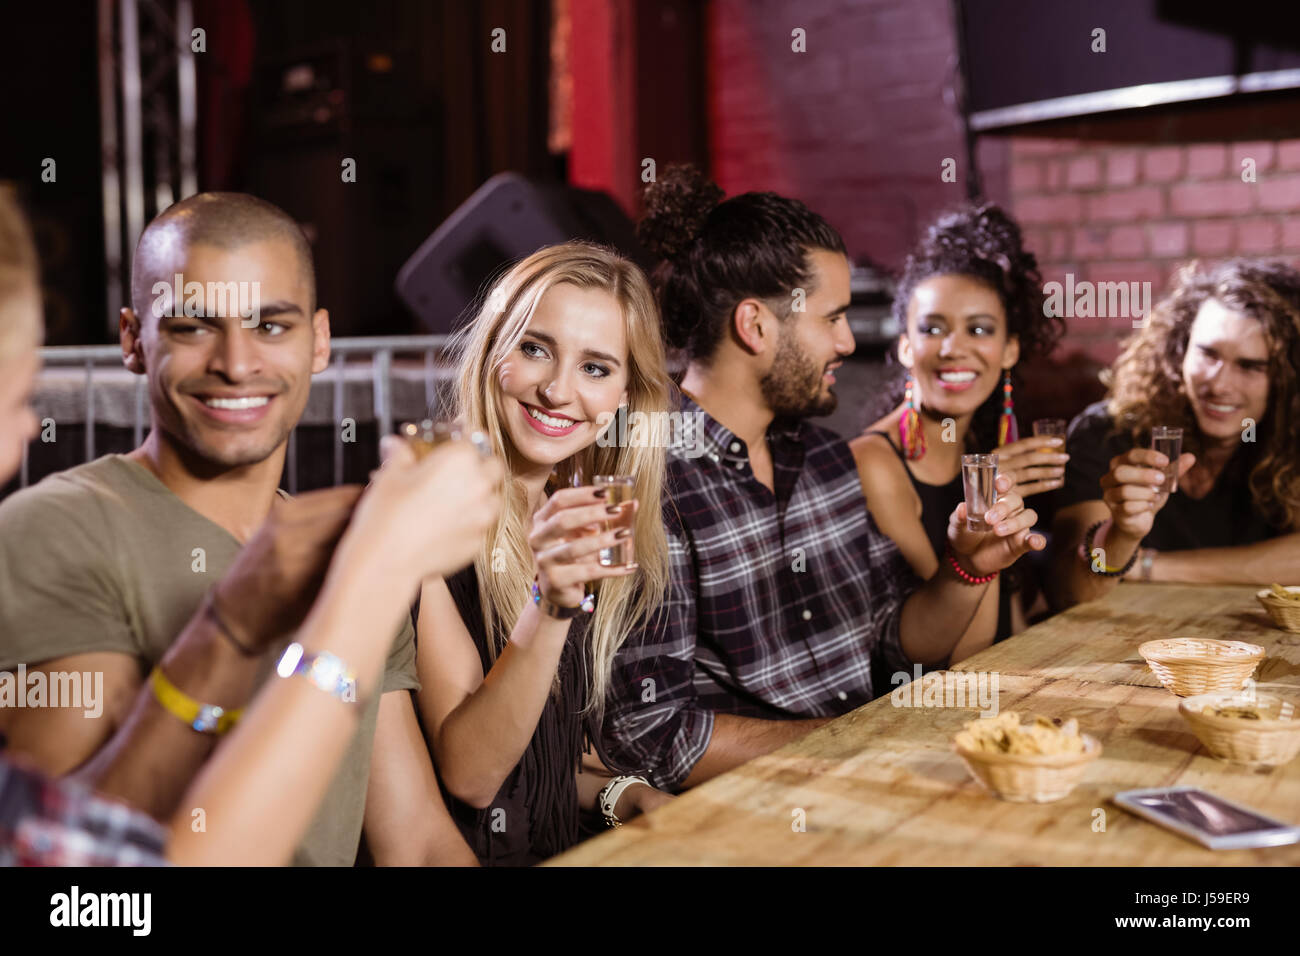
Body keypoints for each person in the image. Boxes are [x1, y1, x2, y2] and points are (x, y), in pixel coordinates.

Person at [0, 192, 480, 865]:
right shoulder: (57, 528)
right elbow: (75, 868)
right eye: (194, 328)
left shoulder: (348, 548)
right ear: (134, 340)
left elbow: (420, 843)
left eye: (271, 326)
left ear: (320, 342)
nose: (237, 363)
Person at [599, 166, 1046, 793]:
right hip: (755, 808)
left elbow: (897, 643)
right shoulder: (646, 481)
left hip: (867, 773)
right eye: (832, 317)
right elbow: (650, 733)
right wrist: (862, 740)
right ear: (756, 326)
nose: (846, 340)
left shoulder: (826, 459)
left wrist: (968, 567)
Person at [413, 242, 675, 866]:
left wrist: (623, 794)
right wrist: (551, 603)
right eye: (536, 349)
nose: (558, 391)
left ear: (626, 397)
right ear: (493, 354)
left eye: (596, 367)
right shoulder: (423, 512)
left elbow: (538, 761)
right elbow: (472, 775)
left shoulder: (582, 508)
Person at [850, 204, 1067, 653]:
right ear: (907, 347)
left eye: (980, 330)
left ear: (1009, 350)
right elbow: (959, 649)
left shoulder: (982, 448)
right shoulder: (873, 463)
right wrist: (980, 501)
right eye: (933, 328)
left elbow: (1014, 625)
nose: (954, 348)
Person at [1048, 259, 1300, 609]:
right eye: (1207, 353)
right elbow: (1070, 593)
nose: (1220, 384)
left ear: (1288, 378)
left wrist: (1150, 565)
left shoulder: (1289, 438)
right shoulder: (1109, 433)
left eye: (1250, 366)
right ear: (1179, 351)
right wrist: (1123, 535)